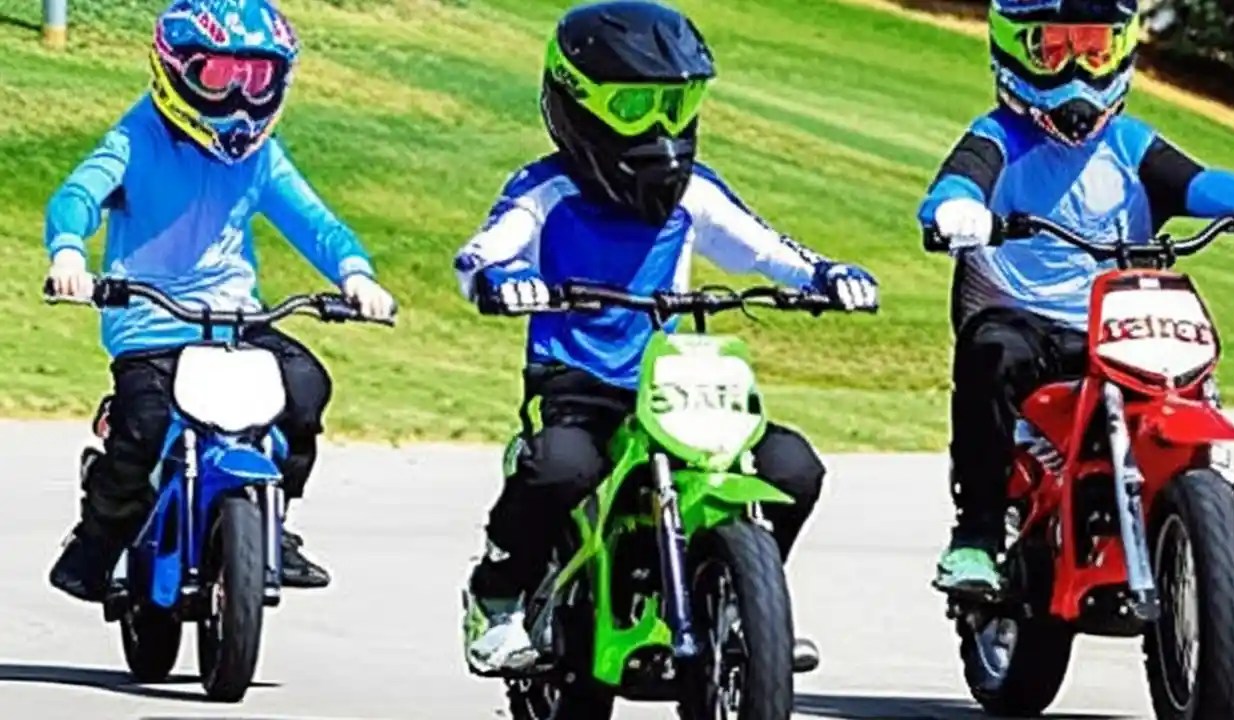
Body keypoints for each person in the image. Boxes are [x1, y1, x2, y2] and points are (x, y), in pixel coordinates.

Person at [454, 0, 880, 676]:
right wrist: (501, 280)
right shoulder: (544, 191)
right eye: (633, 107)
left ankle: (743, 604)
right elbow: (479, 254)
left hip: (676, 384)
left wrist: (827, 275)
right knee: (561, 467)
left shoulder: (695, 194)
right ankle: (497, 599)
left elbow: (767, 251)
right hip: (577, 388)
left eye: (674, 107)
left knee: (792, 467)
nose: (659, 129)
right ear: (576, 104)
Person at [919, 0, 1234, 597]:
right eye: (1054, 49)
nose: (1077, 71)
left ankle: (1205, 517)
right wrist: (956, 210)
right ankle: (978, 537)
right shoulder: (998, 137)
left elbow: (1197, 182)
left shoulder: (1129, 143)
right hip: (1025, 319)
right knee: (989, 352)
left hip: (1119, 321)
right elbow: (959, 181)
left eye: (1094, 48)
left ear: (1123, 49)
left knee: (1188, 367)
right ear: (1013, 51)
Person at [43, 0, 396, 602]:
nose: (239, 98)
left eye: (257, 78)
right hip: (150, 321)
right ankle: (95, 542)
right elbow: (77, 194)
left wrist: (355, 274)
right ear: (175, 69)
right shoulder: (136, 138)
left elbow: (315, 222)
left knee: (305, 388)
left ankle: (274, 522)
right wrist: (70, 252)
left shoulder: (260, 153)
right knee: (144, 426)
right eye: (219, 75)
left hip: (237, 320)